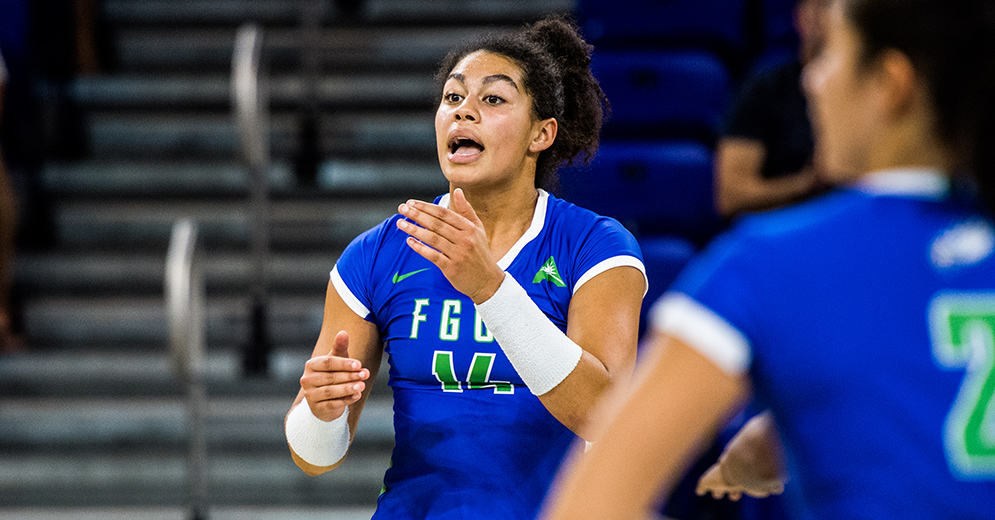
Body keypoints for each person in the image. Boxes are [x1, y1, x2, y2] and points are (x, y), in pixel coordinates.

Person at [541, 0, 995, 518]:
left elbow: (589, 507)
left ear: (891, 86)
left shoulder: (771, 260)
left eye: (829, 57)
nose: (811, 81)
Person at [284, 16, 647, 520]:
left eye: (492, 99)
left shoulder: (595, 245)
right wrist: (322, 414)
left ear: (541, 134)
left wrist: (491, 289)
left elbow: (604, 417)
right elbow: (315, 459)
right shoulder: (376, 253)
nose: (464, 113)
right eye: (453, 98)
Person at [714, 0, 831, 218]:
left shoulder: (870, 92)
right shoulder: (765, 87)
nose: (828, 17)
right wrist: (804, 183)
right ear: (801, 17)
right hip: (785, 225)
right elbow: (730, 196)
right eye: (822, 6)